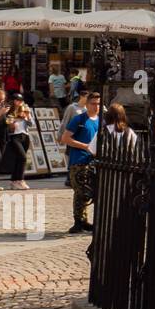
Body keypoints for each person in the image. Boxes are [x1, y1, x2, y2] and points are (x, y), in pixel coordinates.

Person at [61, 91, 102, 234]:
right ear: (87, 104)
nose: (96, 107)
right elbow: (65, 138)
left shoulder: (101, 120)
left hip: (95, 162)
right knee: (81, 192)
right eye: (93, 104)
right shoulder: (79, 119)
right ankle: (78, 221)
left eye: (98, 104)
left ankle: (85, 221)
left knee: (93, 191)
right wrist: (85, 146)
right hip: (78, 160)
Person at [1, 96, 33, 191]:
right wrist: (15, 120)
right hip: (14, 136)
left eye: (21, 100)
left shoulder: (25, 111)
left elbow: (31, 124)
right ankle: (20, 179)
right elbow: (8, 125)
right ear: (13, 101)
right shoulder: (9, 111)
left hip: (25, 135)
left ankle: (14, 181)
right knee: (22, 157)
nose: (19, 102)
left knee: (19, 159)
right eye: (17, 100)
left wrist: (27, 116)